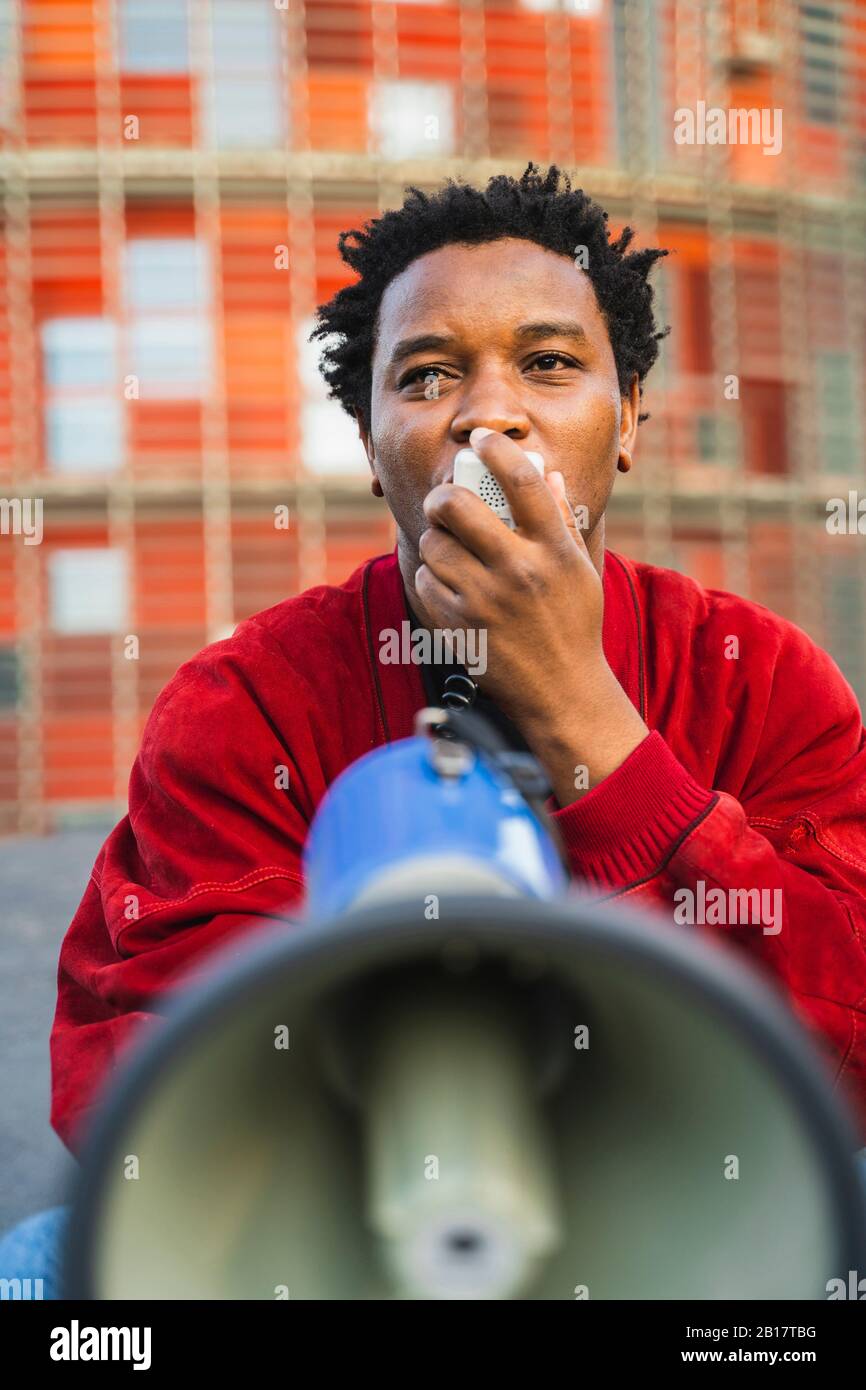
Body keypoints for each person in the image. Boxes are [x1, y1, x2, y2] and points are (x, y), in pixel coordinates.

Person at [5, 162, 866, 1297]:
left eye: (550, 364)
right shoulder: (249, 702)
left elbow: (845, 1021)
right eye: (425, 375)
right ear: (369, 447)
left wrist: (585, 721)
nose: (487, 412)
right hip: (342, 1222)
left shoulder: (755, 678)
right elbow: (167, 1073)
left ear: (628, 422)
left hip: (687, 1196)